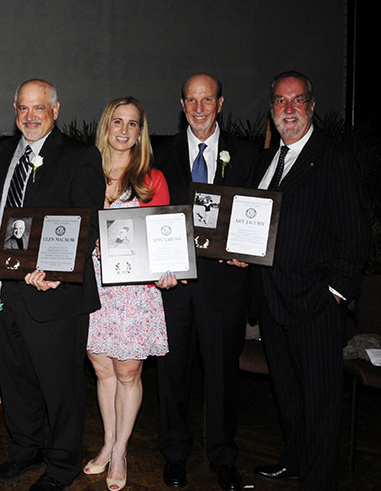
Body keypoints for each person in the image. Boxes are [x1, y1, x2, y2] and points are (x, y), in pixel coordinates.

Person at [252, 71, 369, 489]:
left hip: (315, 304)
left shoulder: (333, 158)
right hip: (272, 300)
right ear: (271, 111)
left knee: (320, 402)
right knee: (288, 395)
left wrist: (335, 293)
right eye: (281, 102)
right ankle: (296, 459)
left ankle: (318, 481)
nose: (289, 110)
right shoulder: (267, 159)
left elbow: (355, 235)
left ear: (312, 107)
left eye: (297, 101)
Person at [0, 79, 106, 491]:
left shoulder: (79, 155)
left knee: (61, 387)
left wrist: (58, 272)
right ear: (15, 110)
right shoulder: (2, 154)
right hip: (9, 292)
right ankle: (25, 451)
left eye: (39, 108)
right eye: (23, 108)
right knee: (16, 381)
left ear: (55, 110)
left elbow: (87, 222)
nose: (30, 116)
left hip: (55, 295)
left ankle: (62, 464)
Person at [153, 73, 257, 490]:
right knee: (172, 373)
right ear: (182, 105)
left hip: (224, 286)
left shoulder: (248, 155)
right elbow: (149, 210)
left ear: (220, 103)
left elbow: (258, 217)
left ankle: (223, 456)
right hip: (173, 284)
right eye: (191, 100)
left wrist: (246, 253)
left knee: (221, 376)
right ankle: (175, 454)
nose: (199, 108)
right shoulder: (162, 153)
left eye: (207, 100)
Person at [82, 97, 172, 491]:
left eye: (132, 124)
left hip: (136, 289)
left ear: (140, 132)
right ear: (106, 126)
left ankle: (120, 451)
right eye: (117, 122)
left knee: (128, 371)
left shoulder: (152, 178)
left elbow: (165, 239)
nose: (124, 130)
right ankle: (107, 442)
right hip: (93, 283)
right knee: (103, 370)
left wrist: (169, 270)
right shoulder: (85, 172)